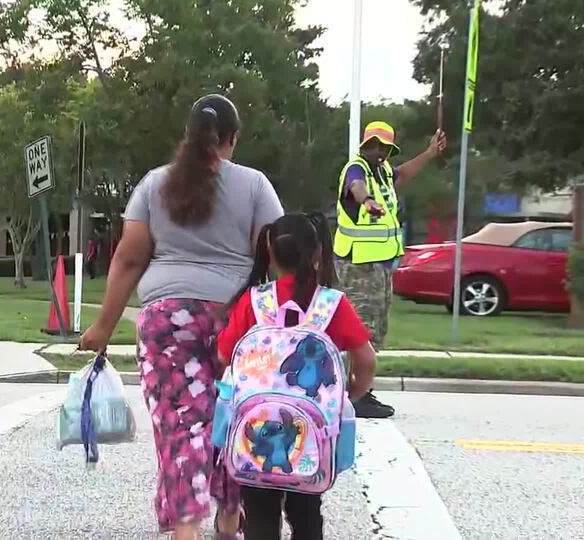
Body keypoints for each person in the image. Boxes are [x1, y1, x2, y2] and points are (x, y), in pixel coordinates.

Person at [79, 94, 284, 539]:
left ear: (186, 135)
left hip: (165, 322)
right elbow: (274, 255)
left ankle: (186, 523)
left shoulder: (155, 185)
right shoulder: (255, 186)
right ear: (232, 138)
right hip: (236, 321)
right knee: (236, 416)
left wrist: (102, 327)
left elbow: (129, 260)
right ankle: (230, 516)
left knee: (180, 424)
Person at [216, 213, 377, 539]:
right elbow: (366, 360)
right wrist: (349, 396)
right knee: (306, 513)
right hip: (312, 434)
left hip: (254, 430)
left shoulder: (255, 301)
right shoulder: (331, 305)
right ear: (318, 252)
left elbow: (223, 355)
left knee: (260, 511)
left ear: (270, 254)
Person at [333, 121, 445, 419]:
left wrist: (430, 153)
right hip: (358, 265)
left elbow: (404, 172)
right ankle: (352, 397)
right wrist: (366, 200)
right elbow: (356, 187)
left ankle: (359, 390)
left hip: (379, 265)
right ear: (364, 145)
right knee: (359, 329)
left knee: (375, 329)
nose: (378, 151)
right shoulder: (356, 169)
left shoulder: (382, 173)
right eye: (373, 145)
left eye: (384, 147)